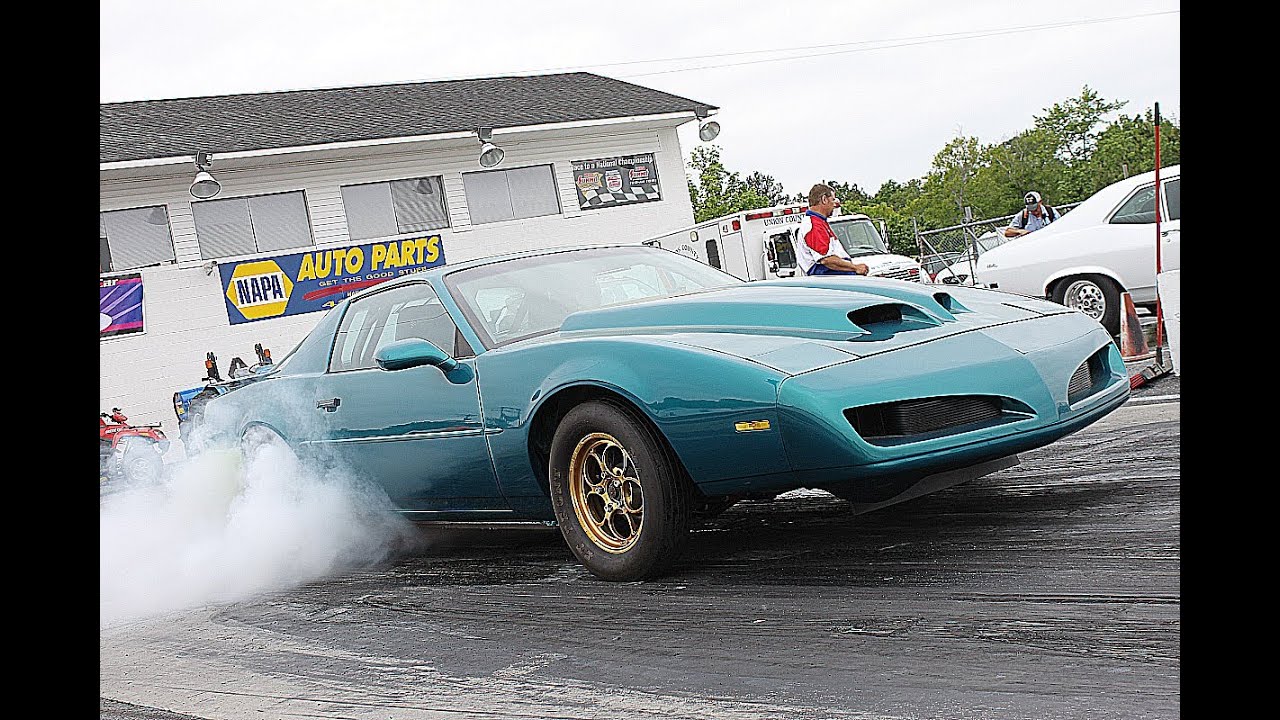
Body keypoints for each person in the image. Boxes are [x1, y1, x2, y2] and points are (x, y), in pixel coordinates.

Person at [795, 183, 870, 276]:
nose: (834, 204)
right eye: (833, 199)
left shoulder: (819, 222)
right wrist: (855, 267)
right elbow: (827, 260)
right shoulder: (814, 225)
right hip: (830, 278)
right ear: (824, 199)